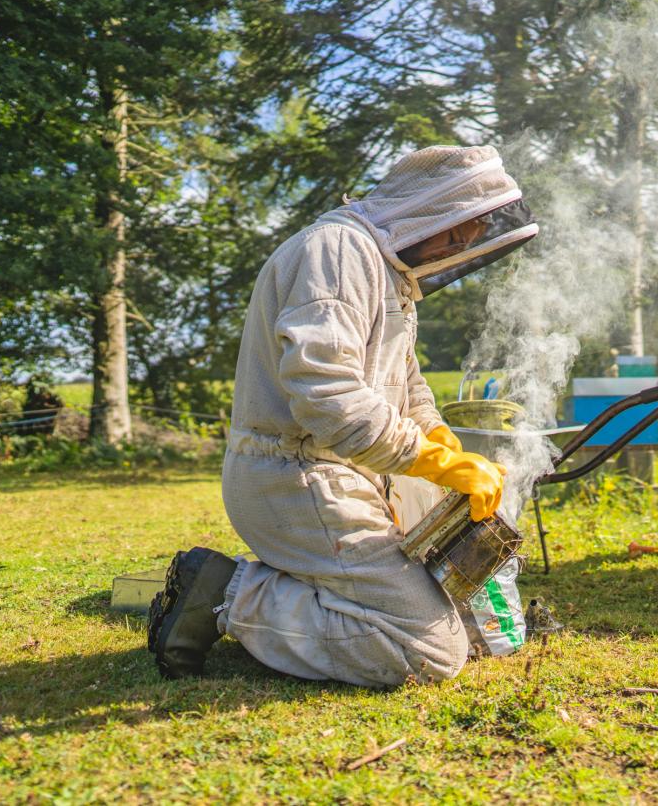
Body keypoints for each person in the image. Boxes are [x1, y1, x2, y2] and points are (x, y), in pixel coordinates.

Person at [147, 145, 540, 685]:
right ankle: (229, 593)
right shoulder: (337, 253)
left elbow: (406, 381)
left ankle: (317, 587)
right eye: (456, 232)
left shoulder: (386, 269)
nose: (461, 246)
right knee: (426, 650)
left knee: (459, 585)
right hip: (300, 476)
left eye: (471, 237)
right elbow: (327, 395)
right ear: (429, 206)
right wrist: (431, 461)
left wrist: (440, 438)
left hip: (350, 472)